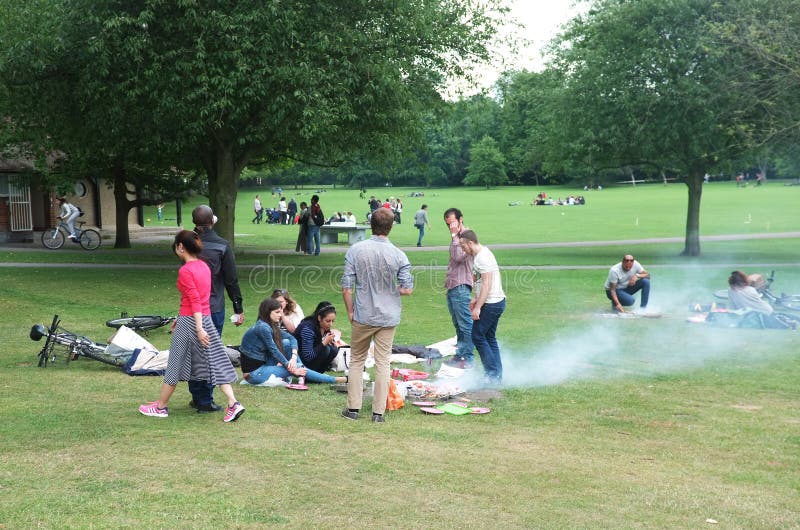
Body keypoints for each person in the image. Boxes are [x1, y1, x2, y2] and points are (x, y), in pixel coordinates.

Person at [138, 230, 245, 422]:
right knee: (214, 362)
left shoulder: (186, 270)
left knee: (175, 365)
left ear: (180, 247)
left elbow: (195, 299)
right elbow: (197, 299)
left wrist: (197, 327)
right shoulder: (204, 266)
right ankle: (233, 403)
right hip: (204, 318)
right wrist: (194, 322)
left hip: (194, 322)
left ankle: (161, 407)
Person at [341, 207, 413, 422]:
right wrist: (389, 289)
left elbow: (347, 287)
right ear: (391, 227)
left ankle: (353, 409)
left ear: (371, 224)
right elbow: (407, 289)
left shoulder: (356, 250)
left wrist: (350, 311)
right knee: (383, 363)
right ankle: (378, 413)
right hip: (387, 316)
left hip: (363, 314)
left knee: (357, 361)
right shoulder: (399, 255)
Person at [189, 205, 245, 413]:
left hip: (190, 307)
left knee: (195, 352)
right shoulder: (221, 245)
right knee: (210, 353)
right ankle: (204, 399)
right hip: (213, 306)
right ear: (212, 220)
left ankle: (198, 395)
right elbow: (231, 279)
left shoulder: (189, 243)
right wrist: (238, 307)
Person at [239, 298, 346, 385]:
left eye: (280, 312)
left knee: (286, 343)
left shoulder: (270, 325)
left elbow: (292, 338)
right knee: (299, 367)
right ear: (267, 313)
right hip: (253, 374)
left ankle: (305, 373)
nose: (280, 315)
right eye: (277, 312)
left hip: (264, 362)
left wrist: (294, 356)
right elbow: (274, 350)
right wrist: (292, 368)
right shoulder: (263, 327)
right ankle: (335, 380)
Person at [459, 230, 506, 384]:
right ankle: (496, 375)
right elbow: (480, 282)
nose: (462, 249)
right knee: (489, 337)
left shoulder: (482, 258)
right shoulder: (481, 255)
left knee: (477, 336)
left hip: (492, 303)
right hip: (494, 302)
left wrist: (478, 307)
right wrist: (475, 298)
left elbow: (487, 284)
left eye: (463, 246)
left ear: (470, 243)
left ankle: (492, 375)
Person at [442, 207, 475, 369]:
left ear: (460, 219)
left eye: (453, 222)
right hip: (453, 285)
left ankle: (468, 358)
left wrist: (455, 236)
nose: (450, 227)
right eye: (448, 224)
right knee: (457, 323)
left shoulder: (467, 236)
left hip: (461, 285)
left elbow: (458, 257)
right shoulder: (457, 236)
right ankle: (461, 355)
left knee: (465, 324)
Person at [294, 301, 341, 373]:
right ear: (319, 318)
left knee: (333, 349)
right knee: (326, 349)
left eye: (332, 321)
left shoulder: (322, 327)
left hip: (311, 360)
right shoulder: (308, 329)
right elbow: (308, 356)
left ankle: (319, 373)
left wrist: (330, 341)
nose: (330, 324)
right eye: (328, 321)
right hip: (300, 361)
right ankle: (311, 374)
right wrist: (324, 342)